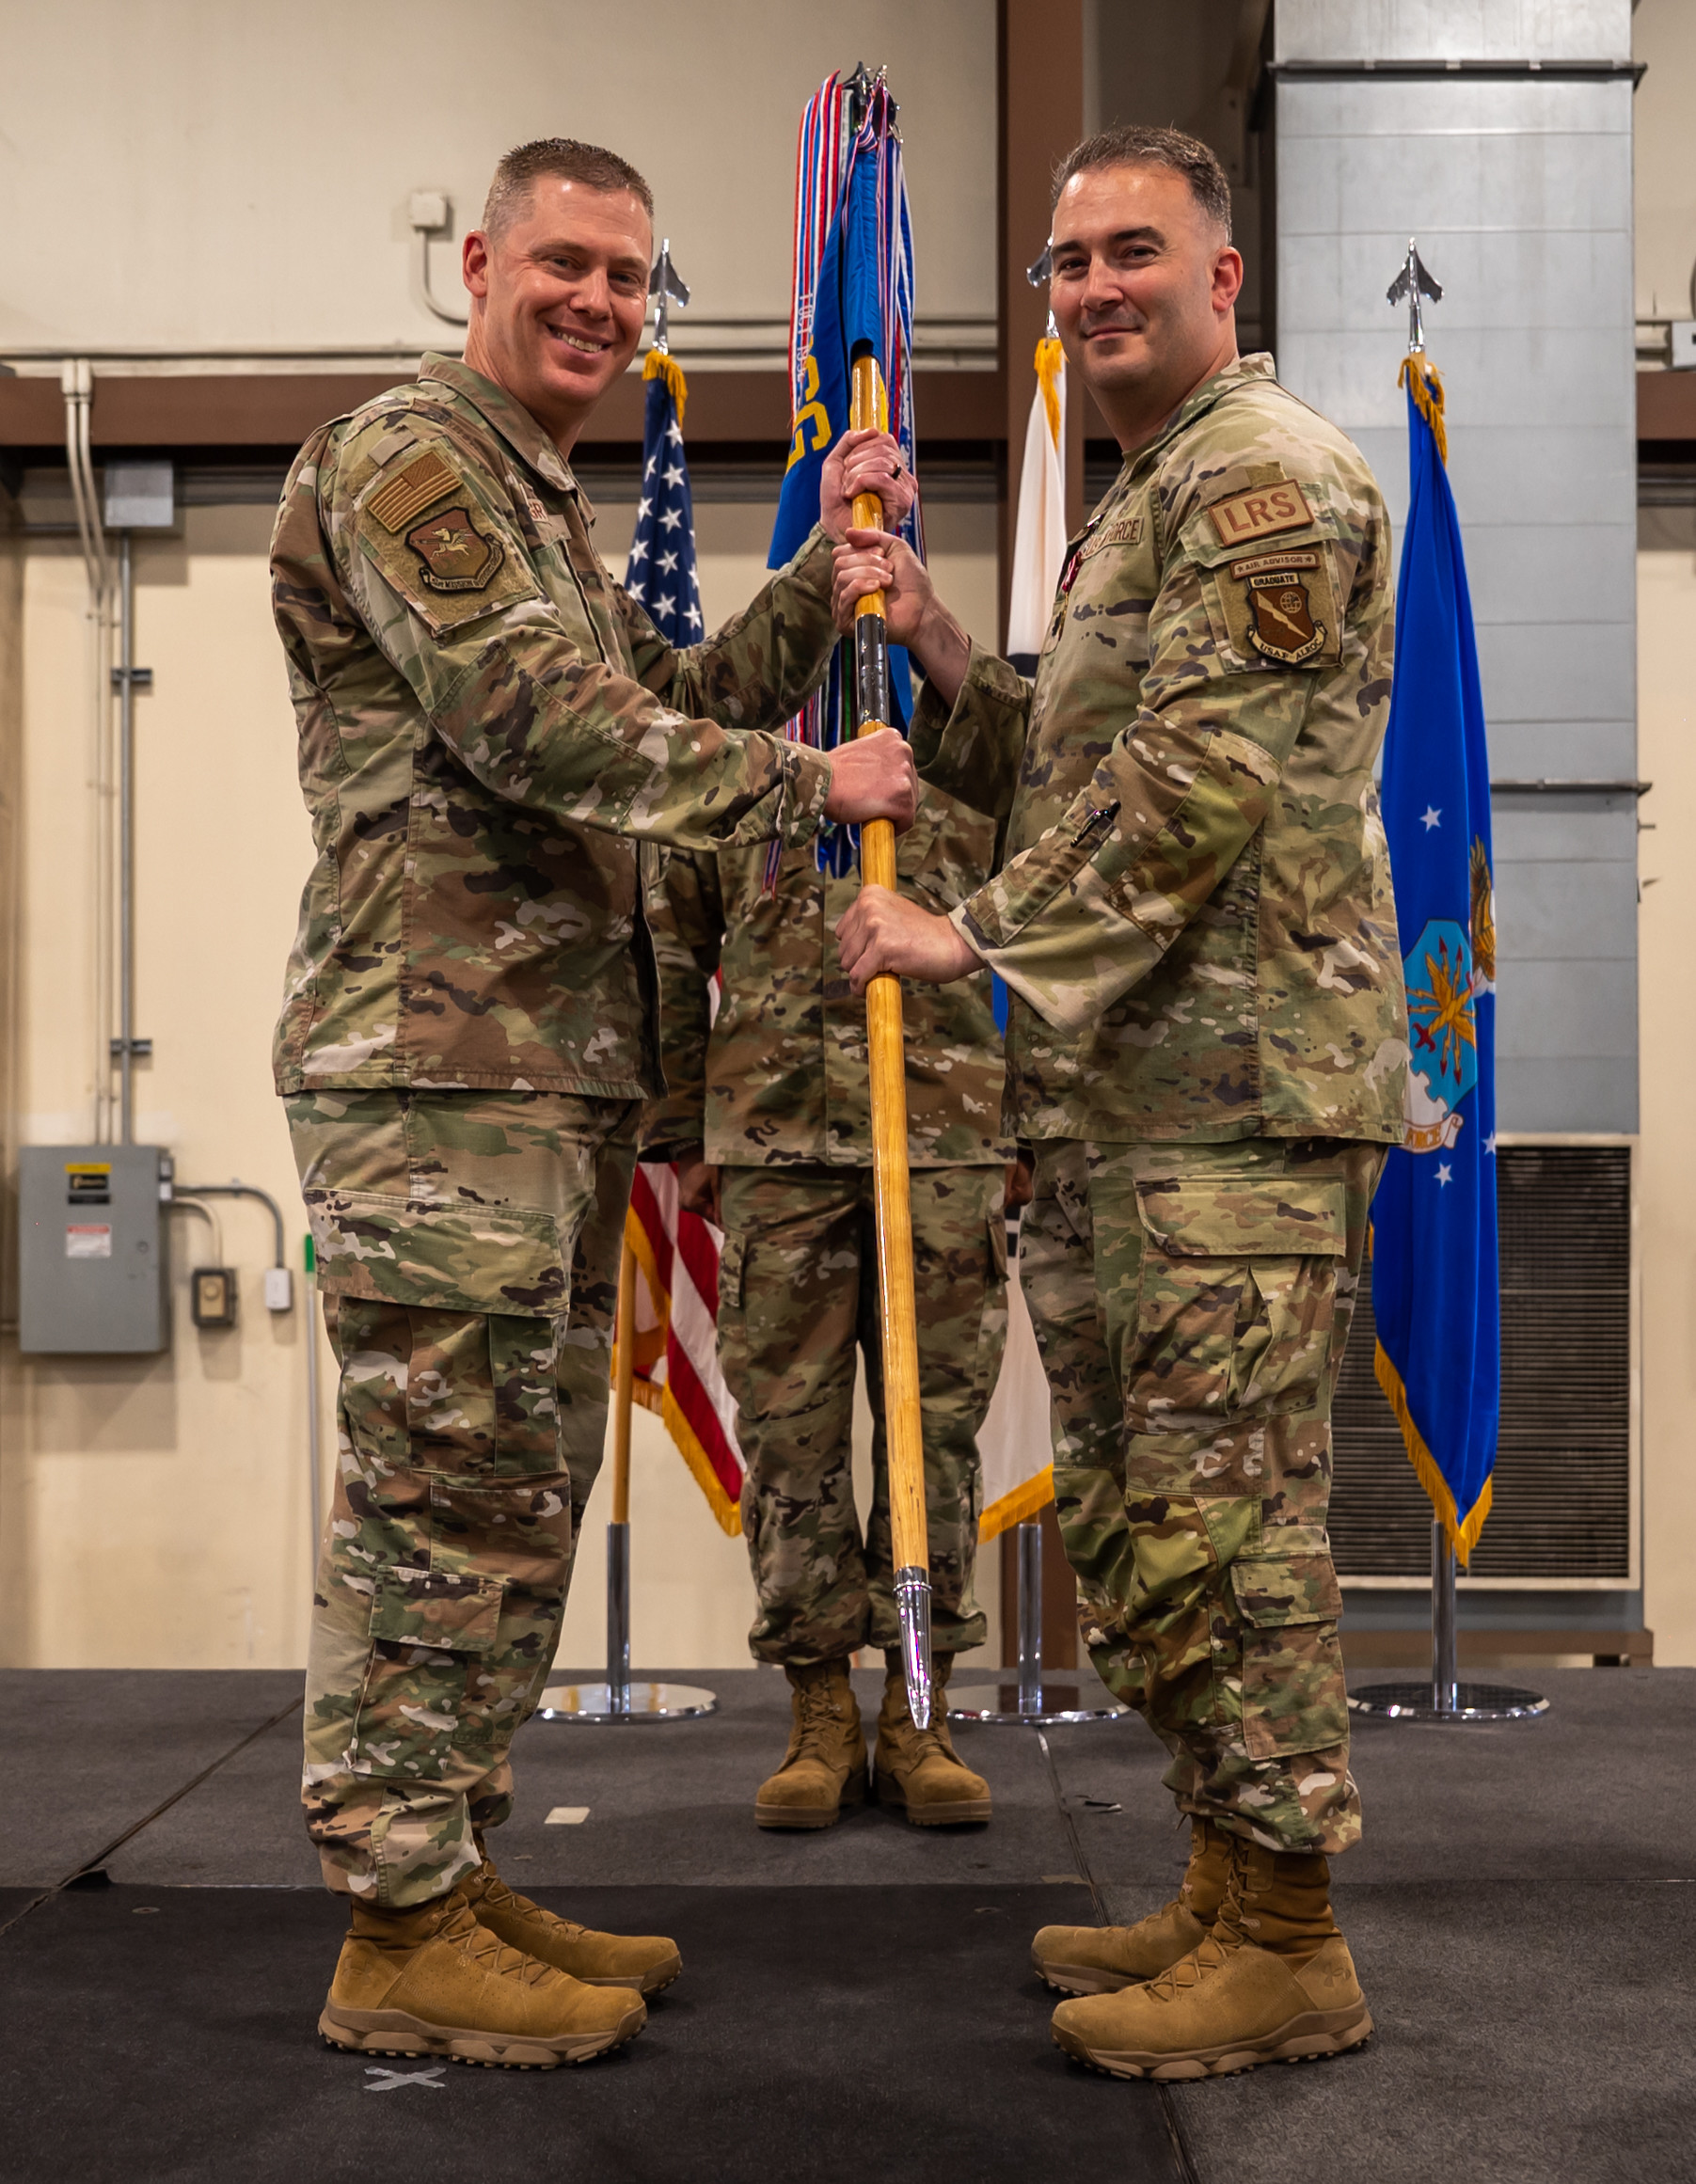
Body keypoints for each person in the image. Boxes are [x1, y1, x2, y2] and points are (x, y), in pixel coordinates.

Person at [272, 135, 916, 2071]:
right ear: (478, 260)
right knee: (432, 1498)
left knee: (507, 1500)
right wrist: (821, 794)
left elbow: (682, 694)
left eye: (631, 281)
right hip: (432, 1077)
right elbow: (537, 726)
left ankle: (453, 1875)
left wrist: (824, 583)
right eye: (564, 263)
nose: (597, 305)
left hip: (540, 1087)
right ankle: (391, 1922)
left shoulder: (544, 506)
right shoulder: (407, 459)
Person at [830, 125, 1407, 2080]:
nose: (1091, 293)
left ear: (1223, 277)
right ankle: (1226, 1887)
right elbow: (1090, 767)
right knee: (1153, 1523)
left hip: (1231, 1112)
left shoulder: (1261, 482)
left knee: (1230, 1526)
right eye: (1066, 266)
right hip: (1134, 1108)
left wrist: (963, 941)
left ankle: (1292, 1937)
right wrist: (929, 650)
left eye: (1130, 254)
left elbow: (1195, 797)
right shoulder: (1144, 496)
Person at [642, 777, 1013, 1829]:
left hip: (944, 1130)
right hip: (774, 1135)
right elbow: (672, 937)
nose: (865, 597)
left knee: (933, 1435)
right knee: (790, 1440)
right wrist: (681, 1129)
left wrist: (1028, 1118)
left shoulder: (956, 735)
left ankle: (918, 1711)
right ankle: (819, 1711)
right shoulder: (750, 756)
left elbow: (1044, 915)